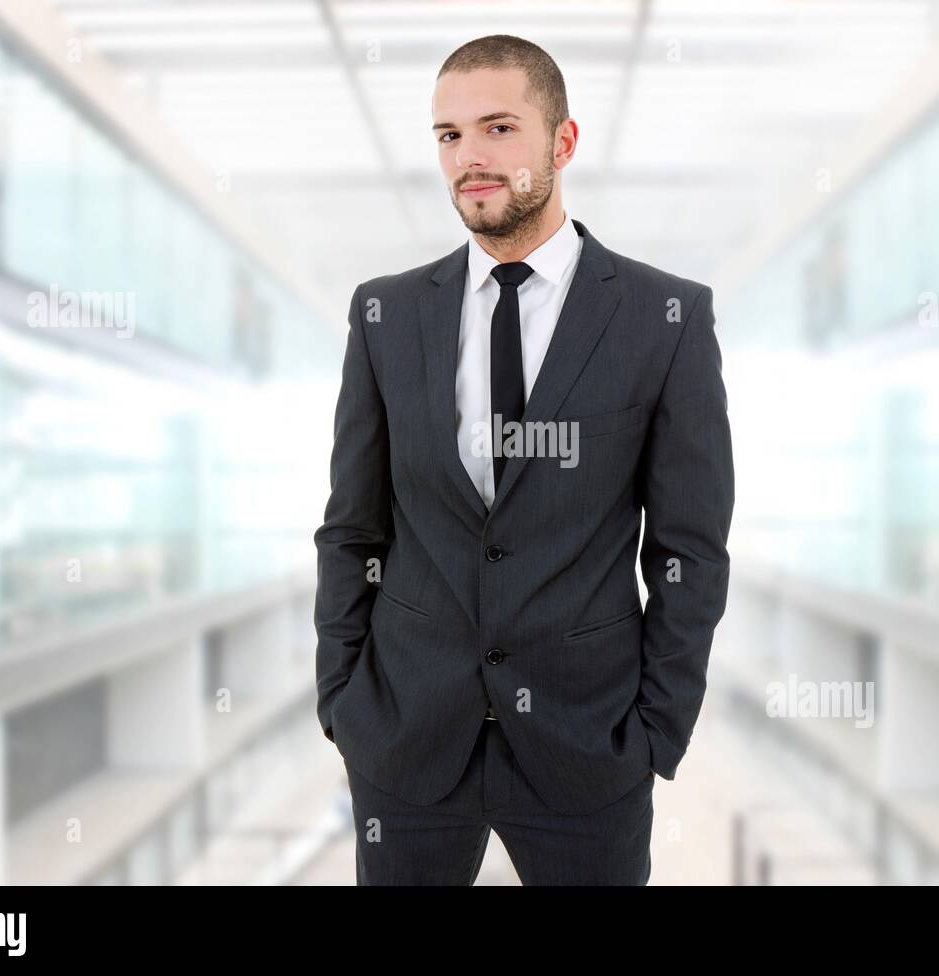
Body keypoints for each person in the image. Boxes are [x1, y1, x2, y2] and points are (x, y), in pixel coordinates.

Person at [314, 34, 734, 885]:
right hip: (405, 740)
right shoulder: (385, 315)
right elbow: (352, 526)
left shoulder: (666, 317)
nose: (469, 157)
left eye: (498, 128)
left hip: (589, 748)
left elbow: (689, 550)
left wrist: (657, 728)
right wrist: (342, 698)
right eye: (448, 135)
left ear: (563, 142)